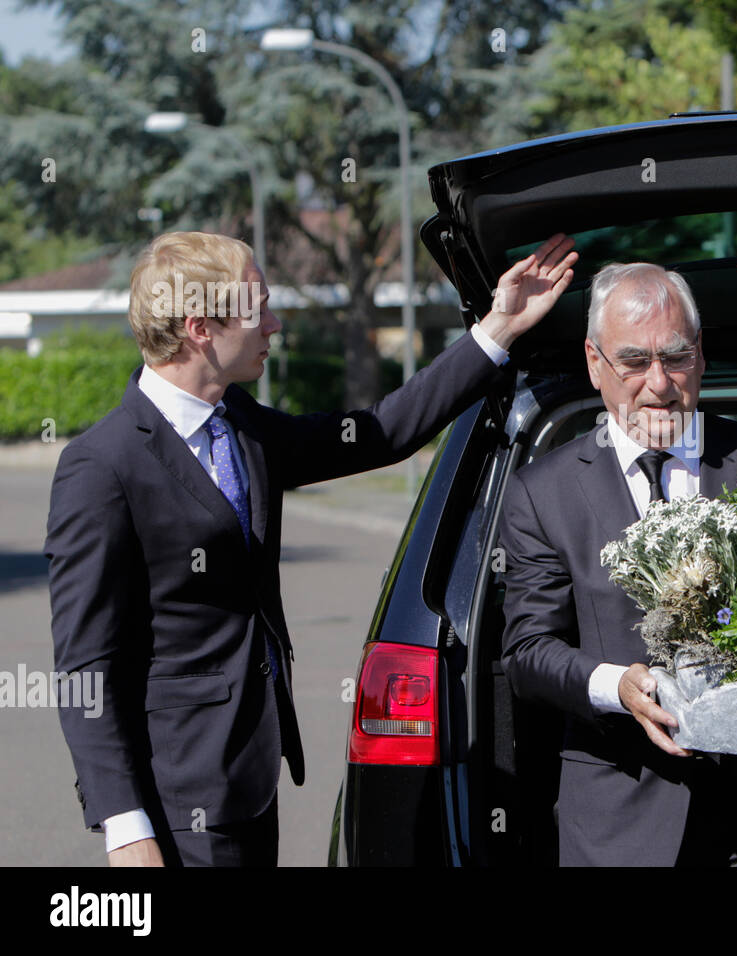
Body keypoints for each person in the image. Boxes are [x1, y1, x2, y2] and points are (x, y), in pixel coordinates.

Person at [45, 230, 576, 866]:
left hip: (247, 785)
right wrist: (125, 826)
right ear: (199, 328)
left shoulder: (238, 423)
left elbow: (378, 434)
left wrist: (500, 327)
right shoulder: (101, 466)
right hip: (173, 803)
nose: (275, 324)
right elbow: (86, 667)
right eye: (257, 307)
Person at [498, 261, 737, 866]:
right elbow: (528, 651)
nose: (659, 384)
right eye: (634, 362)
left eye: (676, 358)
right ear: (595, 363)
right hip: (622, 822)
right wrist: (617, 686)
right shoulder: (546, 492)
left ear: (700, 355)